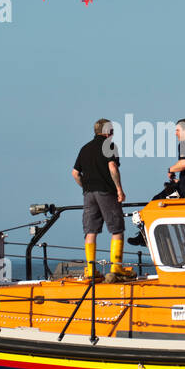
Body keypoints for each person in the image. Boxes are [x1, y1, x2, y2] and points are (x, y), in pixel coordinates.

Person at [72, 119, 127, 281]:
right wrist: (119, 189)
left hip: (88, 194)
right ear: (108, 132)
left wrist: (85, 187)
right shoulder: (110, 146)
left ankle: (90, 269)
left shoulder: (85, 148)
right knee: (117, 229)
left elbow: (75, 173)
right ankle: (116, 267)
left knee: (90, 231)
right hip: (106, 192)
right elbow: (112, 167)